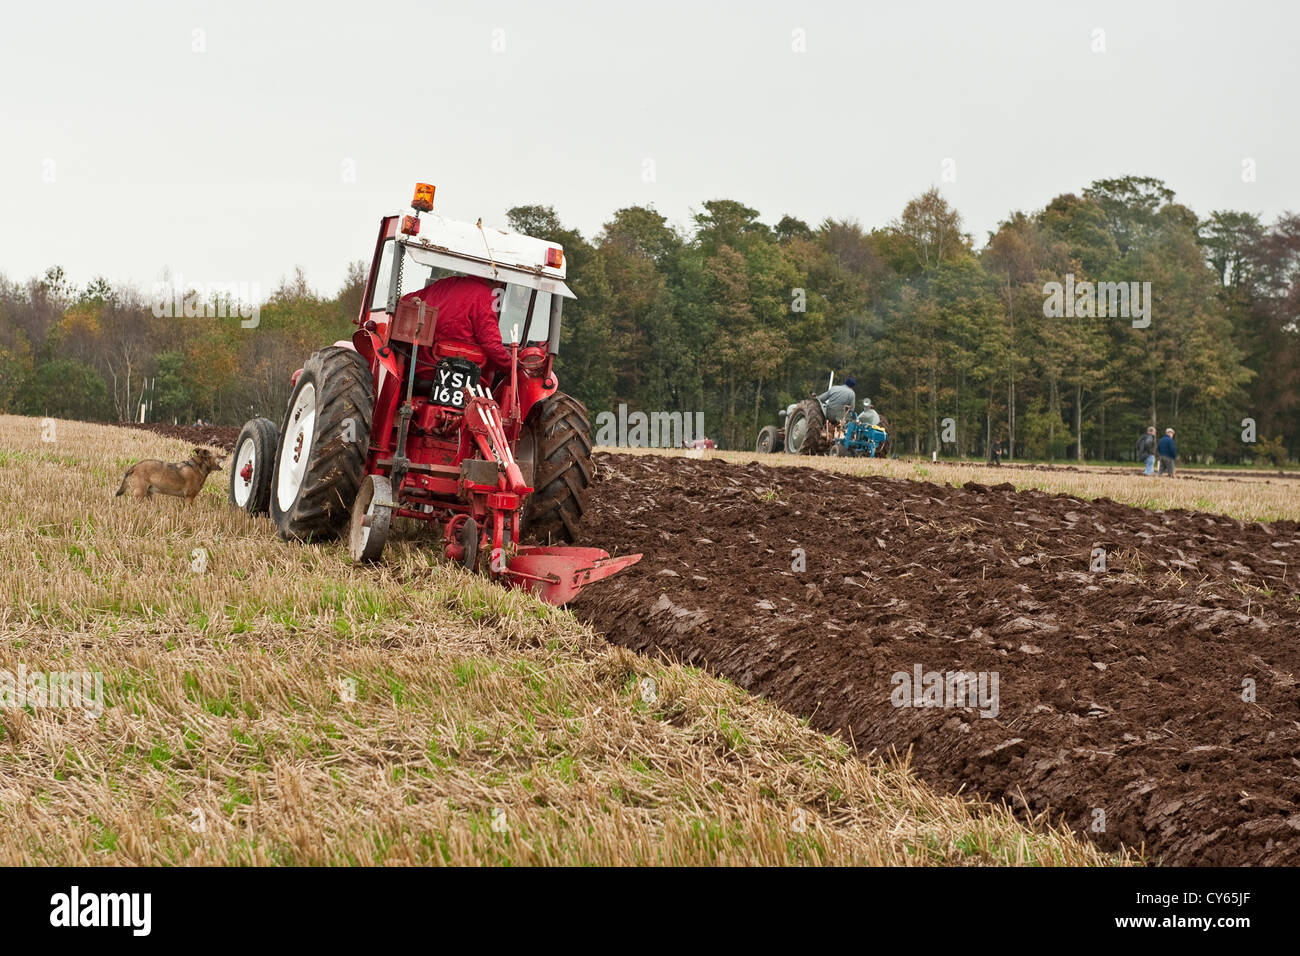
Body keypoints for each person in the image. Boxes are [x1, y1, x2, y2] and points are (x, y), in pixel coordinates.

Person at [399, 273, 512, 376]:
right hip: (463, 375)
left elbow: (405, 301)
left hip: (420, 369)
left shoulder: (444, 284)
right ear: (498, 281)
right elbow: (491, 344)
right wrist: (512, 366)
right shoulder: (485, 297)